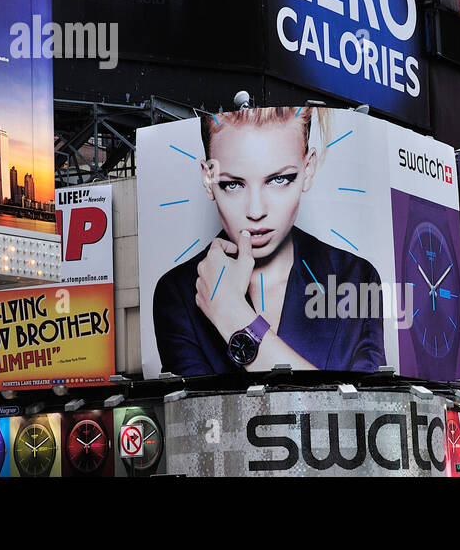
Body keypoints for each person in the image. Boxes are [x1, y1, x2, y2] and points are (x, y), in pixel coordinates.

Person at [152, 107, 385, 375]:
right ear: (208, 180)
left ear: (308, 170)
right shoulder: (178, 293)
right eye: (233, 184)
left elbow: (368, 399)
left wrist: (233, 314)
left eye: (279, 180)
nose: (255, 211)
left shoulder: (356, 278)